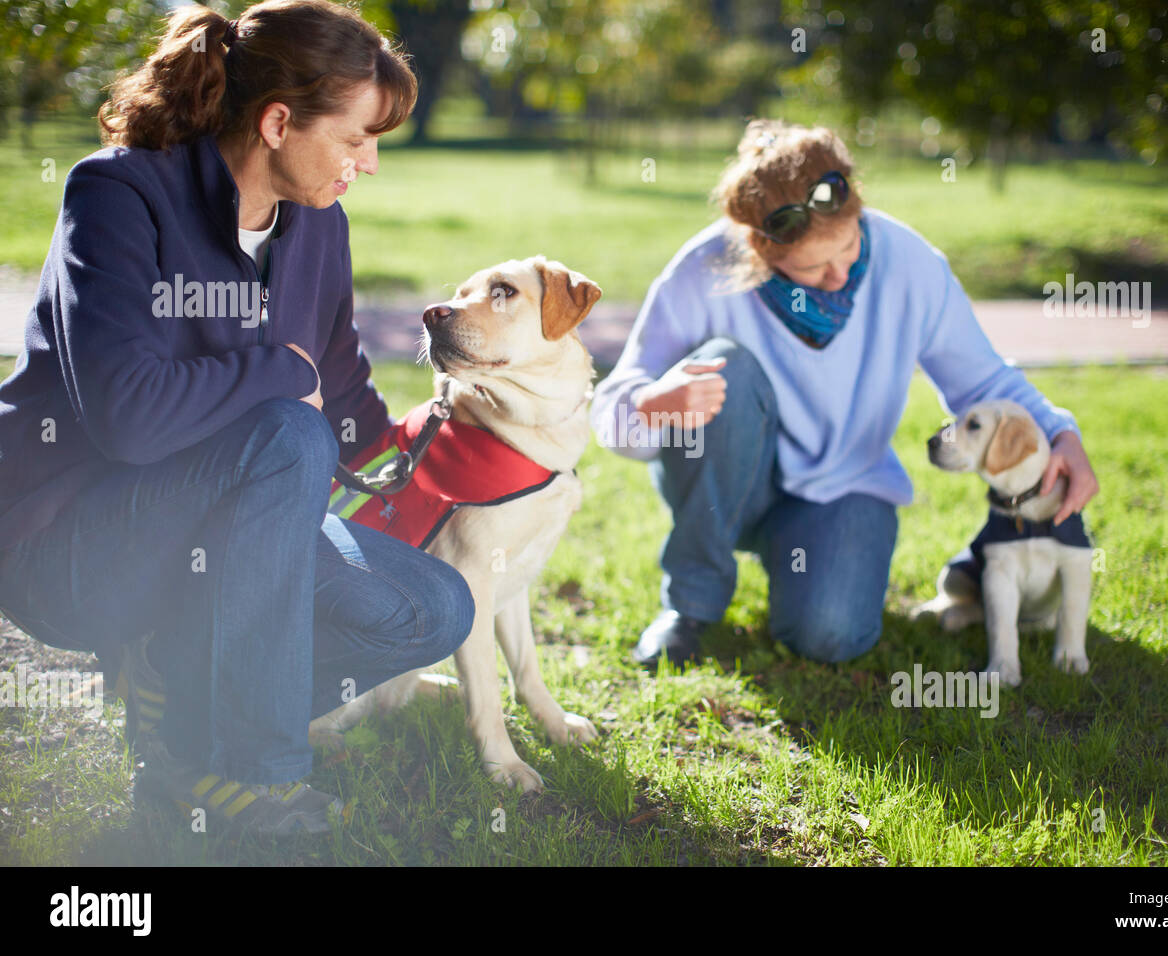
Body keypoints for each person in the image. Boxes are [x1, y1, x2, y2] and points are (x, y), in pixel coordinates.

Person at [0, 1, 475, 834]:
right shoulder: (115, 195)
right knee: (288, 431)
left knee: (432, 609)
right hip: (69, 541)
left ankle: (179, 704)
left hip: (221, 535)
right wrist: (276, 373)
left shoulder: (319, 226)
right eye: (357, 138)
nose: (368, 164)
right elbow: (130, 420)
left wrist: (453, 432)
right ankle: (247, 772)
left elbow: (345, 394)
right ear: (279, 121)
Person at [591, 119, 1098, 669]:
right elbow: (613, 404)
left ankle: (803, 569)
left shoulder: (911, 263)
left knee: (832, 634)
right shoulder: (703, 269)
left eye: (850, 249)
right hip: (730, 485)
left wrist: (1058, 430)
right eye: (812, 268)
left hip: (843, 489)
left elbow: (983, 381)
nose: (839, 276)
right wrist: (650, 405)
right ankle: (689, 607)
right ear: (761, 250)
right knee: (724, 368)